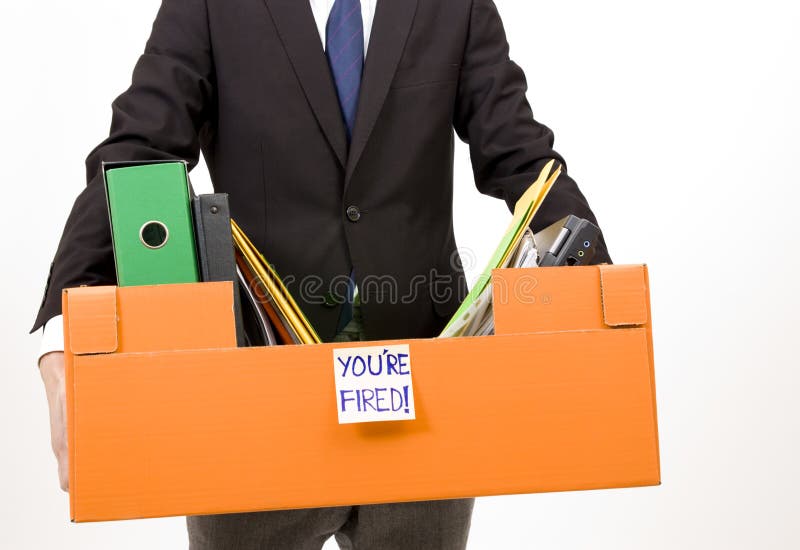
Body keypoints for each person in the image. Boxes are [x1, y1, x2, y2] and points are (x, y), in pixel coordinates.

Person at [33, 0, 611, 548]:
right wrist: (69, 324)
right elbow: (140, 152)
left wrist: (598, 291)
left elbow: (520, 155)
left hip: (421, 395)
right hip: (256, 401)